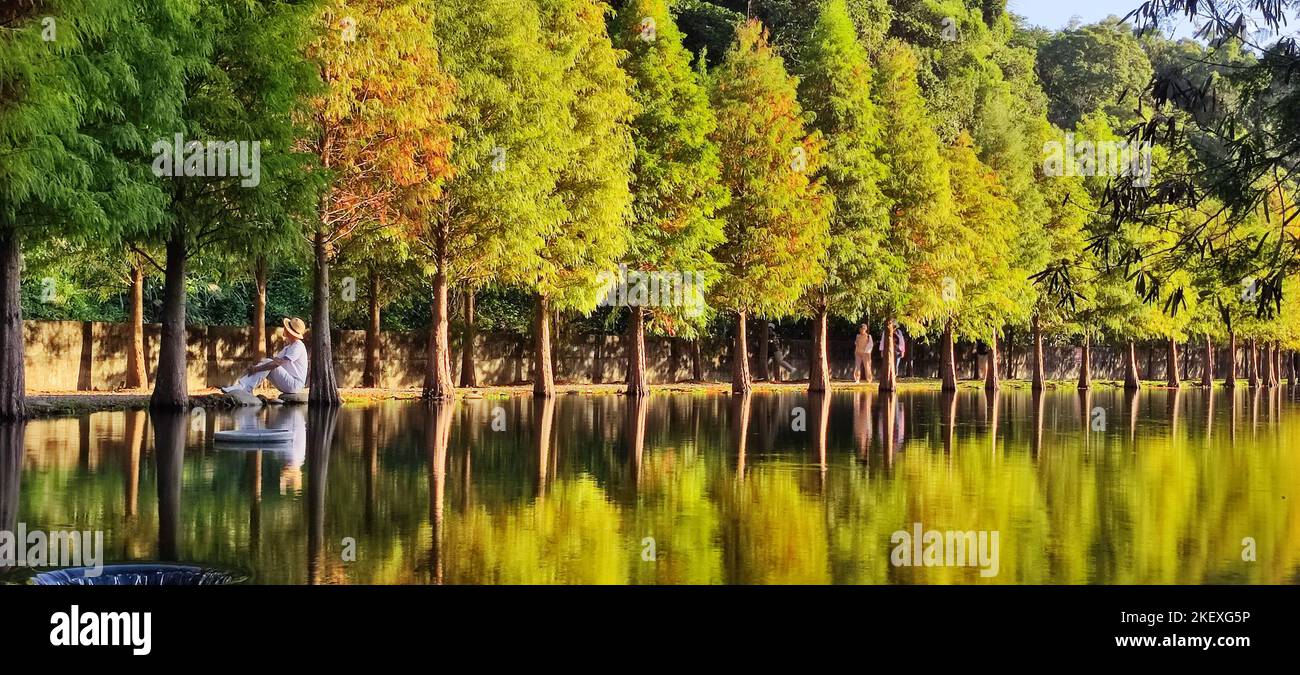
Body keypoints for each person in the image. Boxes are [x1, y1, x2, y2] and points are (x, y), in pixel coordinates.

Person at [223, 317, 308, 395]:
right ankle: (244, 387)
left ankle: (245, 388)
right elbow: (275, 360)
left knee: (268, 363)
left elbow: (277, 363)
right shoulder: (289, 347)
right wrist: (258, 366)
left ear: (290, 331)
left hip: (294, 385)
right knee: (266, 362)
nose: (284, 328)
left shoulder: (298, 346)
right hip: (288, 382)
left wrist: (257, 368)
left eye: (286, 328)